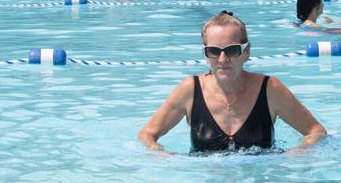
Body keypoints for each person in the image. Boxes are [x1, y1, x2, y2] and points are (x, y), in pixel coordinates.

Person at [138, 11, 327, 152]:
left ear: (246, 52)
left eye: (232, 50)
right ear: (205, 55)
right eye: (213, 51)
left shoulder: (270, 89)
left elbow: (316, 132)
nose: (222, 59)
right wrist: (164, 157)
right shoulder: (190, 90)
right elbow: (146, 135)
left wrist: (296, 155)